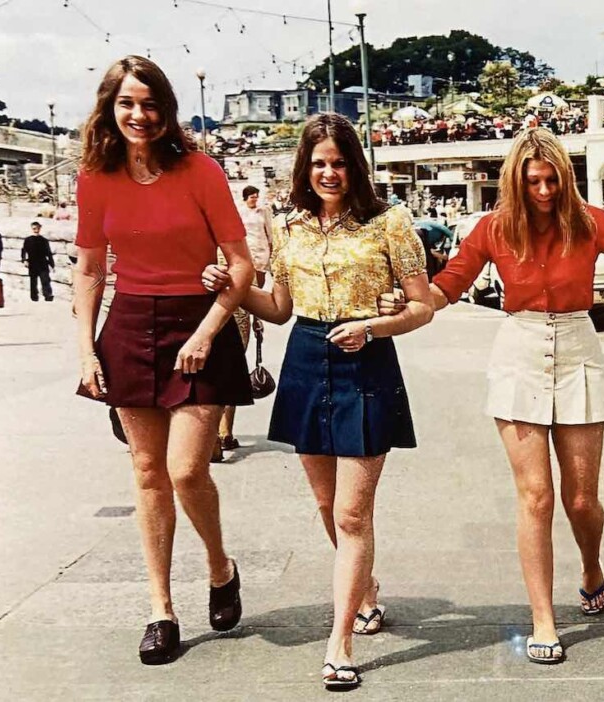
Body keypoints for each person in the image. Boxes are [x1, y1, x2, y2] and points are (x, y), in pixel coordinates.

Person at [380, 128, 604, 664]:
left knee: (580, 499)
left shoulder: (589, 221)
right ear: (516, 182)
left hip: (578, 348)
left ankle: (591, 565)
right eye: (534, 182)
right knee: (536, 497)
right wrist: (406, 300)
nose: (544, 191)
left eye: (552, 180)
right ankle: (543, 619)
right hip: (519, 351)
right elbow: (449, 284)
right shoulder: (493, 228)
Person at [202, 113, 433, 691]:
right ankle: (367, 590)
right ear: (305, 168)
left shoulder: (390, 223)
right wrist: (228, 286)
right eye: (319, 163)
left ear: (355, 165)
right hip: (306, 356)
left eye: (339, 162)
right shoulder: (288, 226)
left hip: (367, 362)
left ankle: (340, 642)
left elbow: (422, 305)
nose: (329, 173)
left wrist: (374, 329)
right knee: (330, 507)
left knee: (354, 513)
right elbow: (278, 306)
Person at [72, 56, 254, 665]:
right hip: (128, 326)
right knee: (147, 473)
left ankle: (218, 563)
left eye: (149, 104)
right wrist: (85, 350)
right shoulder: (96, 177)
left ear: (166, 110)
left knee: (184, 470)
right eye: (126, 103)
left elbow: (242, 265)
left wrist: (206, 333)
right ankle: (161, 608)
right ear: (109, 108)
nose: (138, 115)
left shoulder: (200, 171)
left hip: (197, 322)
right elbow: (92, 270)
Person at [214, 184, 274, 457]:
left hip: (210, 310)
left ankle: (216, 435)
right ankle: (224, 432)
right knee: (233, 366)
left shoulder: (203, 239)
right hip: (236, 309)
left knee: (211, 372)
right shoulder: (239, 246)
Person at [21, 221, 55, 301]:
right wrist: (24, 260)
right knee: (33, 281)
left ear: (40, 228)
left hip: (43, 263)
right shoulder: (28, 240)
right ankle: (34, 296)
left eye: (37, 228)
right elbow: (24, 251)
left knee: (45, 280)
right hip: (32, 263)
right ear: (32, 229)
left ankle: (48, 295)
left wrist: (52, 264)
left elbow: (48, 253)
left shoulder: (44, 240)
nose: (36, 230)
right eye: (34, 228)